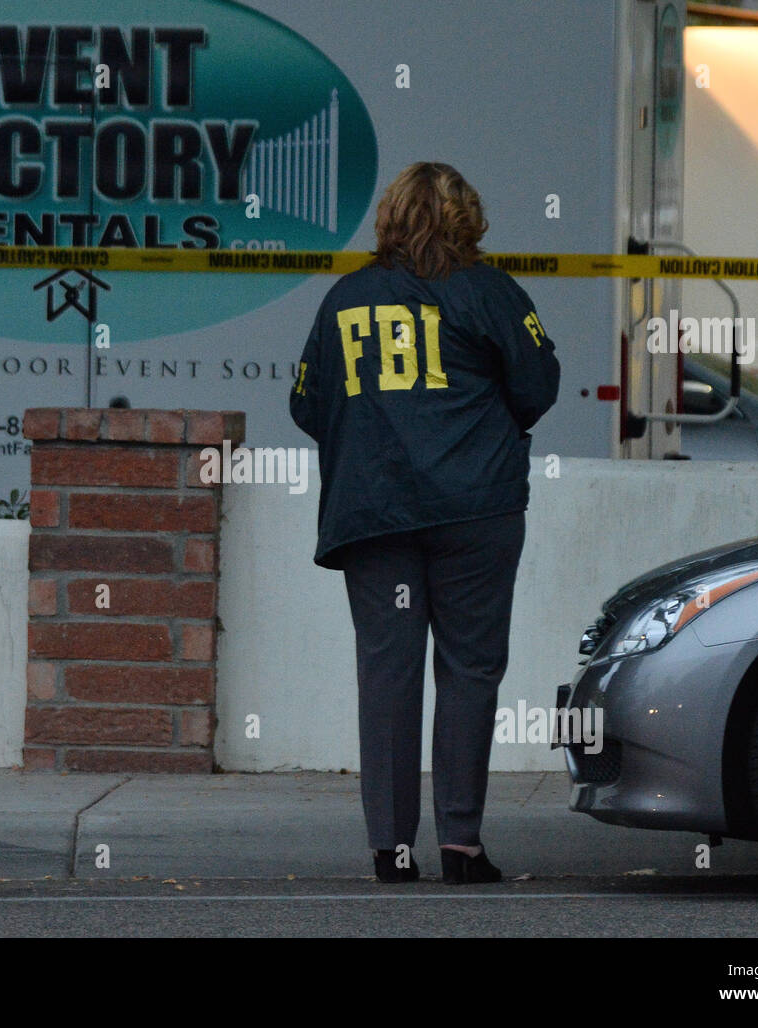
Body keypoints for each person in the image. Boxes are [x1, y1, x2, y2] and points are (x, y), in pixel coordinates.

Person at [289, 162, 560, 884]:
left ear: (390, 218)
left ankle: (391, 847)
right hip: (477, 509)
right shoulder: (491, 291)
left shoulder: (346, 298)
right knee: (469, 669)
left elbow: (308, 406)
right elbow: (537, 387)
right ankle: (464, 845)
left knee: (388, 671)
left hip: (375, 514)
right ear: (468, 219)